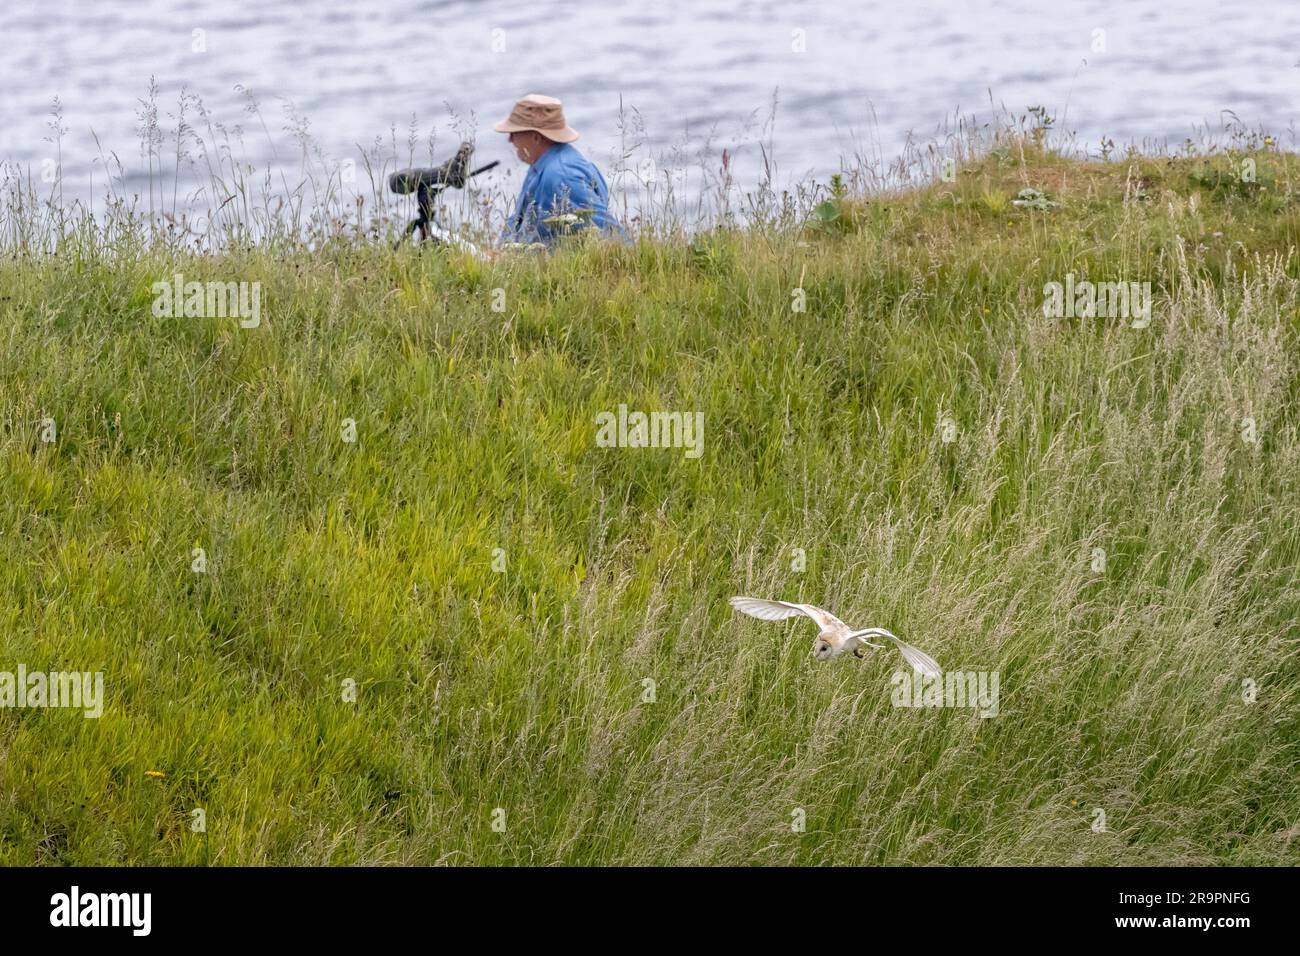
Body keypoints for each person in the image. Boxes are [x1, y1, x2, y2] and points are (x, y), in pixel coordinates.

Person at [494, 94, 626, 246]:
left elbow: (611, 235)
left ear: (536, 137)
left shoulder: (561, 177)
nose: (510, 139)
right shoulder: (541, 164)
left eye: (514, 133)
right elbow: (519, 222)